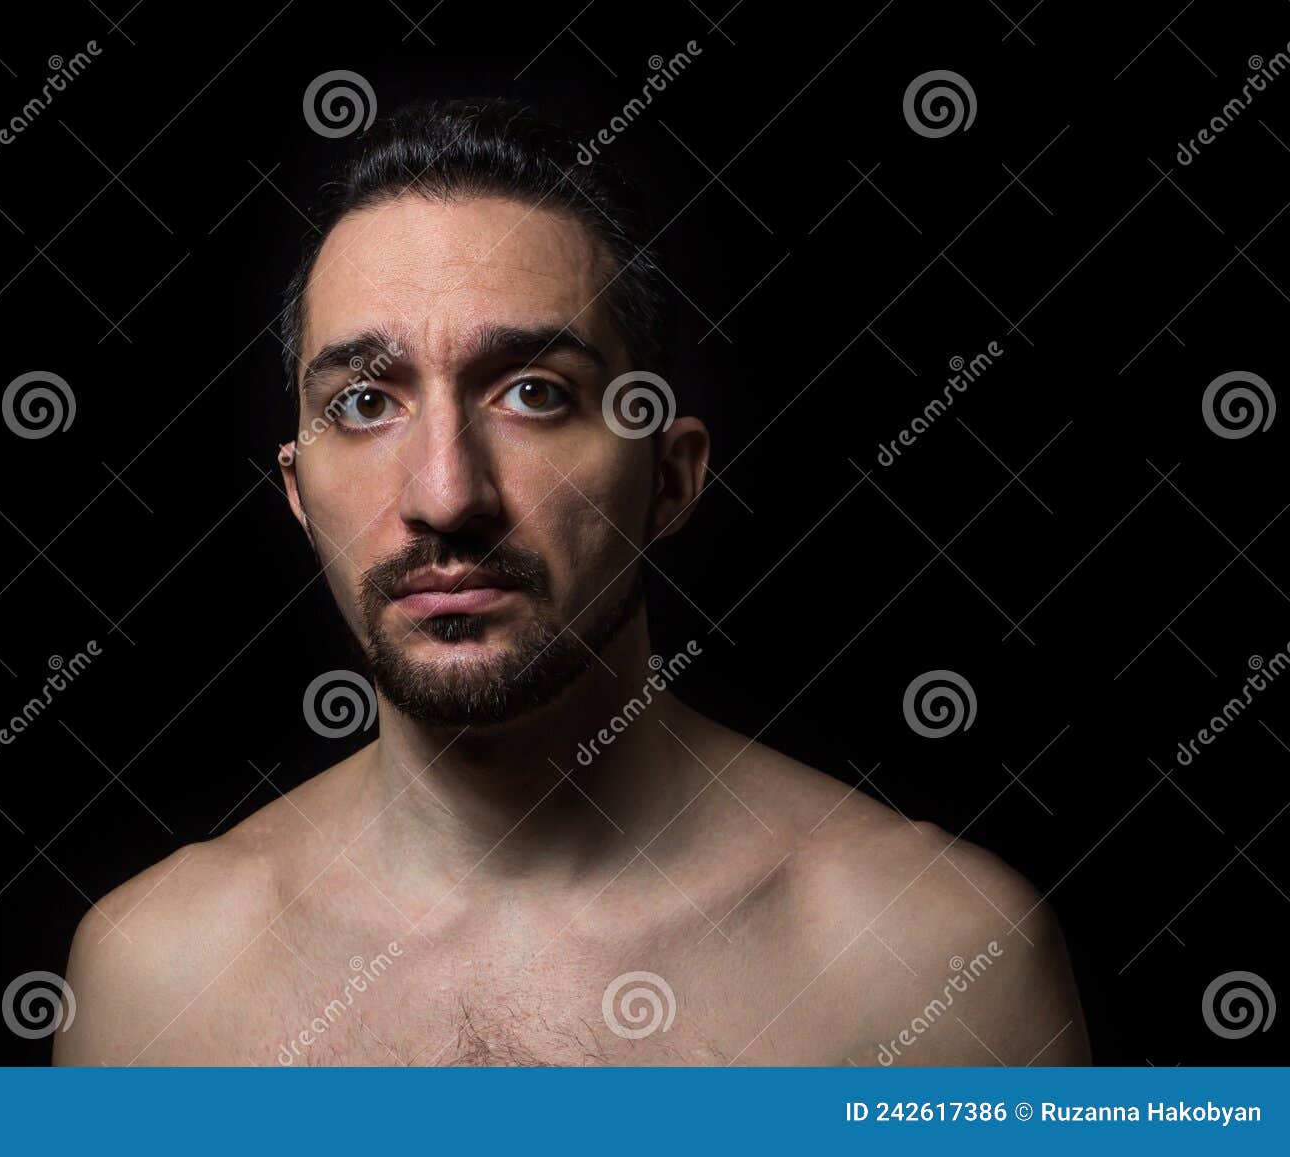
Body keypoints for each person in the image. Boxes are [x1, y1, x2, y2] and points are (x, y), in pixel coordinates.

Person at [54, 98, 1089, 1066]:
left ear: (669, 476)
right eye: (366, 401)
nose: (446, 495)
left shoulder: (930, 960)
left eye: (533, 393)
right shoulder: (158, 978)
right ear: (296, 489)